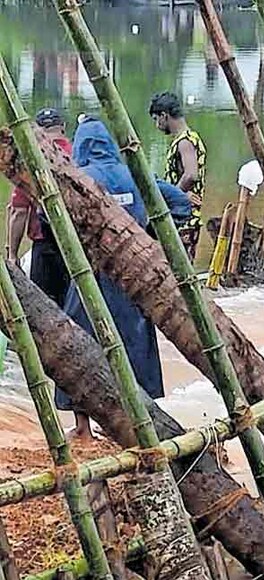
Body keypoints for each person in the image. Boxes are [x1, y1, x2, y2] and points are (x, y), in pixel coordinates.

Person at [57, 118, 163, 440]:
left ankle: (83, 428)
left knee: (77, 345)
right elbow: (177, 202)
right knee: (134, 343)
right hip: (132, 277)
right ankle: (138, 422)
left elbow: (54, 219)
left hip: (92, 275)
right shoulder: (134, 174)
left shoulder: (80, 178)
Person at [7, 108, 72, 308]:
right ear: (64, 128)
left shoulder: (32, 159)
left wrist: (12, 255)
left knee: (44, 307)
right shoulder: (77, 153)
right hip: (76, 244)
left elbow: (19, 211)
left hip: (45, 246)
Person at [149, 91, 206, 260]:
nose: (156, 124)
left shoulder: (184, 141)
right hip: (189, 216)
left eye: (155, 119)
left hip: (183, 218)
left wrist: (175, 194)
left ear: (164, 116)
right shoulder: (193, 137)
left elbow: (191, 175)